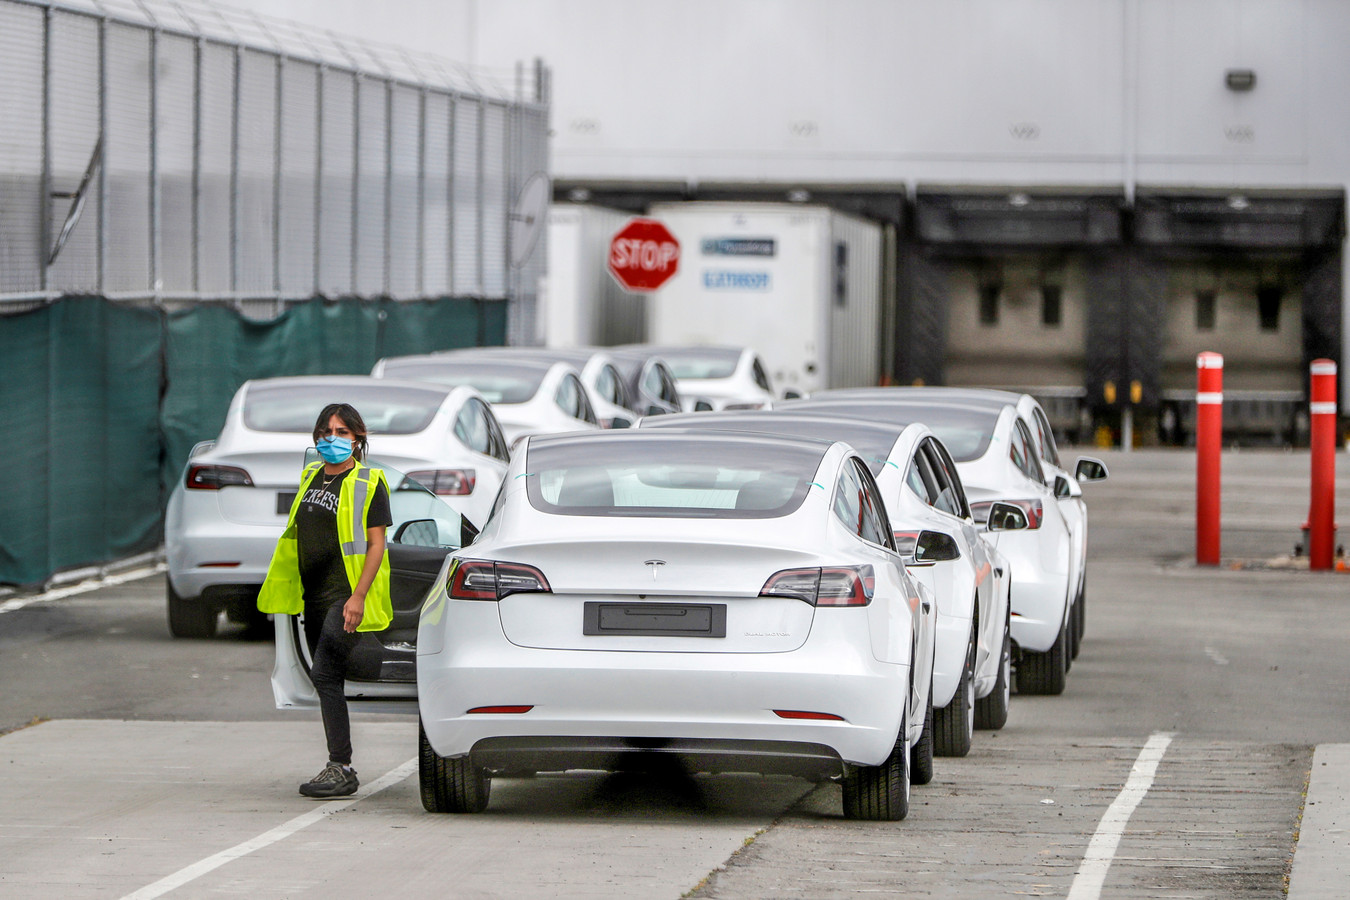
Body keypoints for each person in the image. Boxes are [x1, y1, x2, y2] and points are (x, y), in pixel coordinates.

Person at [258, 403, 393, 798]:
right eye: (325, 432)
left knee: (321, 675)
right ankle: (340, 766)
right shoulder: (311, 476)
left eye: (341, 433)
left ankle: (342, 766)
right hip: (313, 596)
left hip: (345, 596)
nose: (331, 439)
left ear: (357, 439)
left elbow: (376, 545)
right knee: (328, 677)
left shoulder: (370, 481)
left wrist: (358, 597)